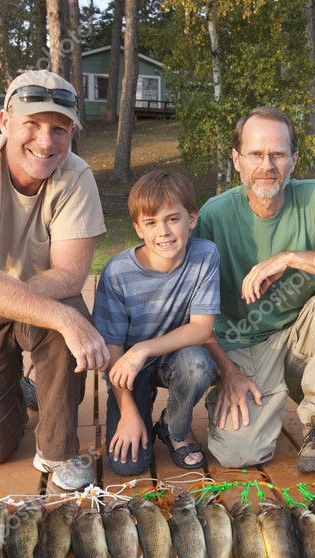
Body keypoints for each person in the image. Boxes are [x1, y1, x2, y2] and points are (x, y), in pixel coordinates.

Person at [0, 70, 109, 490]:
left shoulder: (77, 176)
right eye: (32, 124)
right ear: (5, 121)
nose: (46, 142)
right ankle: (22, 390)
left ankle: (58, 451)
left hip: (37, 302)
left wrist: (1, 312)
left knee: (65, 317)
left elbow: (69, 274)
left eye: (59, 129)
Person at [195, 106, 315, 473]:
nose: (267, 165)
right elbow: (191, 310)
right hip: (242, 345)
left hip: (301, 334)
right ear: (237, 160)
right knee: (239, 455)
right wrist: (227, 371)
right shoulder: (214, 216)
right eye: (255, 154)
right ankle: (234, 398)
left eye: (278, 154)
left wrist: (293, 257)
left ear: (294, 160)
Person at [93, 170, 220, 475]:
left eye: (172, 219)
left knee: (199, 364)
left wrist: (143, 349)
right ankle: (139, 405)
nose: (163, 232)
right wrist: (128, 413)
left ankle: (174, 428)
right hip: (127, 371)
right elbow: (111, 351)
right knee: (128, 465)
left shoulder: (205, 256)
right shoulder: (117, 273)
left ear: (191, 218)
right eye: (151, 223)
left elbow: (202, 329)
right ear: (138, 228)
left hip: (173, 358)